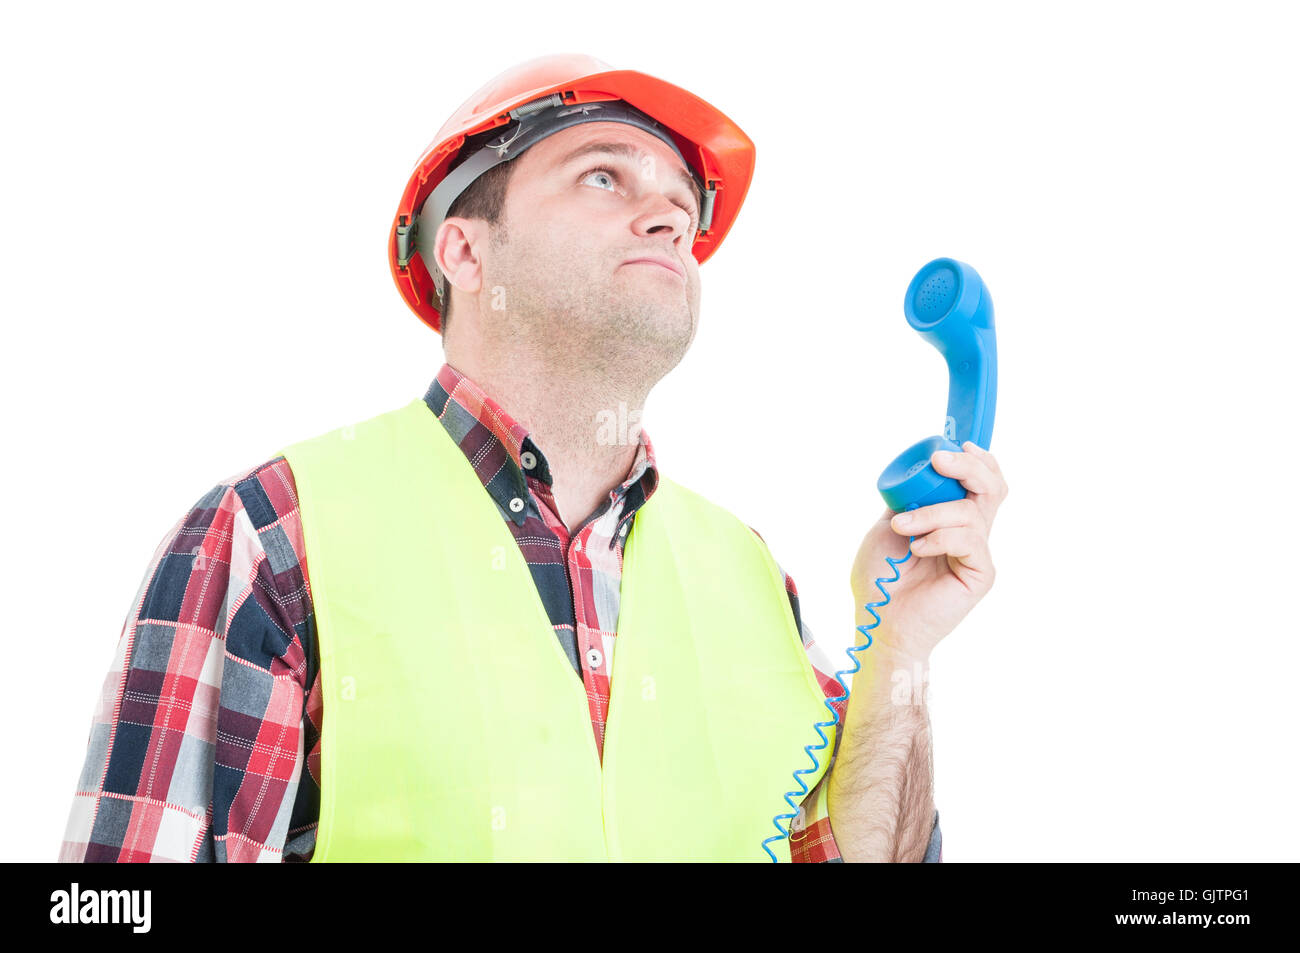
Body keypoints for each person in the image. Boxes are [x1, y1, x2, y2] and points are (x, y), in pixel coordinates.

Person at [60, 53, 1006, 863]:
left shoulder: (756, 580)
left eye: (683, 203)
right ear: (464, 254)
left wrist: (900, 654)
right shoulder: (271, 537)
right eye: (605, 176)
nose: (669, 218)